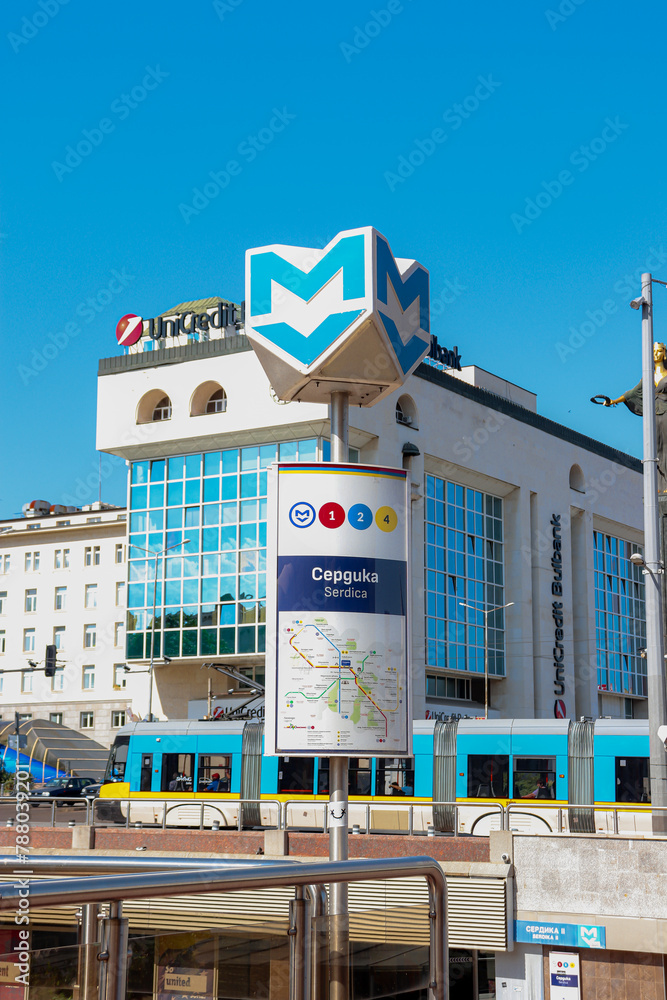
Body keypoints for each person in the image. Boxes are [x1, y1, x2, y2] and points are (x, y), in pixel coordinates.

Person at [604, 341, 667, 491]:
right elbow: (631, 393)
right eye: (654, 352)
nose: (656, 354)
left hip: (666, 414)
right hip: (652, 416)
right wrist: (613, 401)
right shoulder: (648, 376)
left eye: (659, 351)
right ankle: (658, 485)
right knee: (654, 450)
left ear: (665, 353)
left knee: (666, 447)